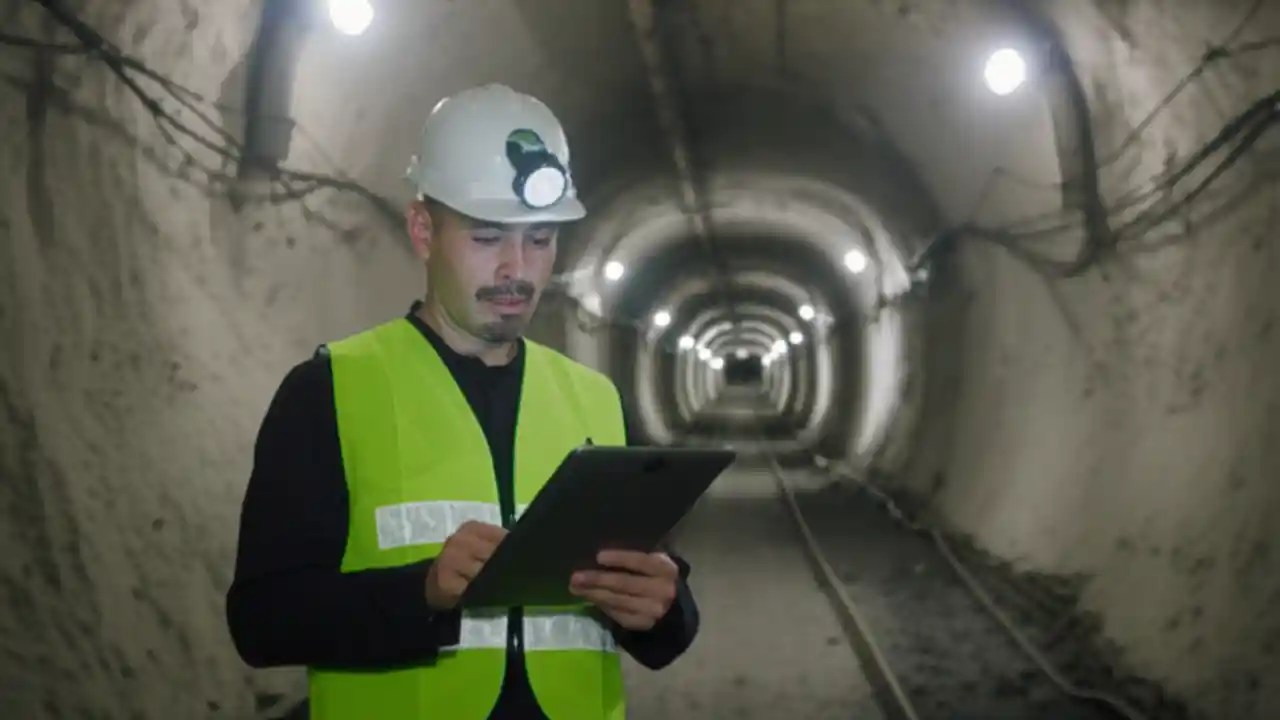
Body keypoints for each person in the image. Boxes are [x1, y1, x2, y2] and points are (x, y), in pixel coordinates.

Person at [225, 84, 700, 719]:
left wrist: (666, 610)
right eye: (487, 238)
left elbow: (648, 597)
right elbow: (261, 622)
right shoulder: (330, 392)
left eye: (539, 238)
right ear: (423, 230)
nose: (518, 269)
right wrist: (421, 591)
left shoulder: (593, 398)